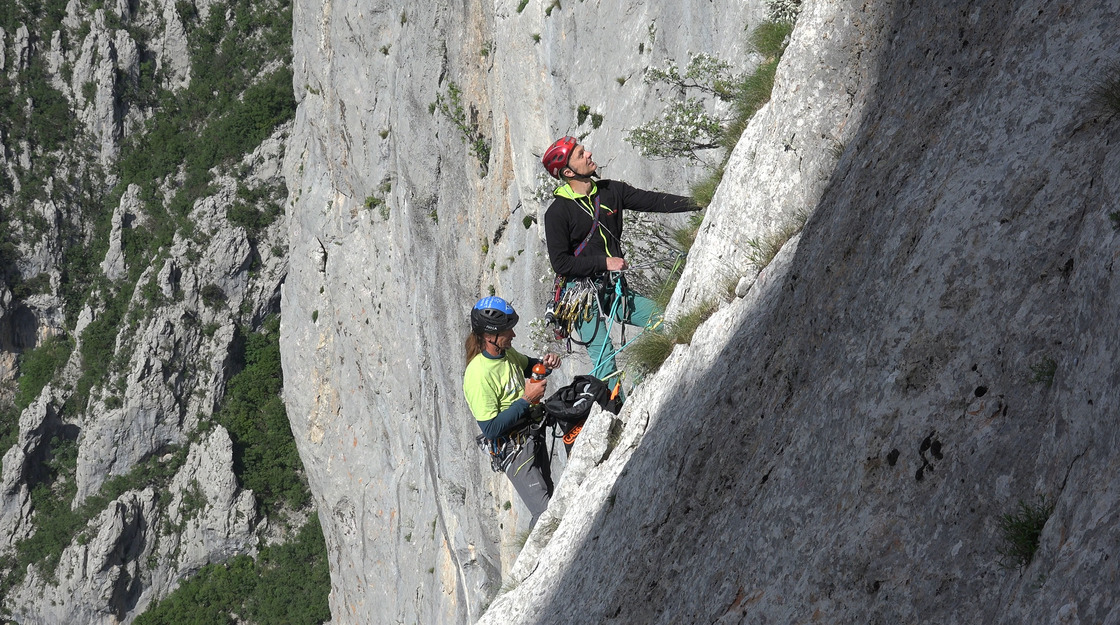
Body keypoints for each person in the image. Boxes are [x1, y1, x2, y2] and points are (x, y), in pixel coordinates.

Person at [541, 136, 700, 388]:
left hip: (613, 287)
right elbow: (561, 264)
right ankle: (614, 416)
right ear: (569, 171)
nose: (589, 154)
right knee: (604, 360)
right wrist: (605, 262)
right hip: (582, 297)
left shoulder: (610, 191)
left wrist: (698, 202)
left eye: (585, 150)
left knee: (664, 319)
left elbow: (654, 201)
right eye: (581, 154)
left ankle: (643, 376)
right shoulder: (558, 212)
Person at [462, 296, 561, 528]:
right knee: (546, 512)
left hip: (532, 435)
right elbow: (491, 428)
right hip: (513, 448)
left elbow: (530, 366)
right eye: (508, 331)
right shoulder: (477, 374)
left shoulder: (506, 355)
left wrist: (545, 365)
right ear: (490, 337)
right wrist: (527, 399)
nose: (513, 335)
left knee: (551, 499)